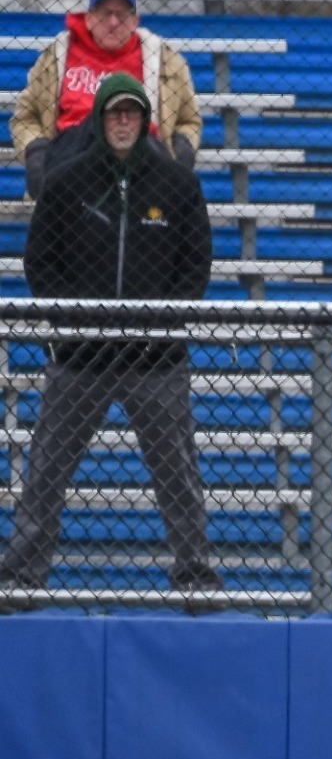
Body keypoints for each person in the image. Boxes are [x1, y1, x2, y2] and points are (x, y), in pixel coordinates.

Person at [3, 74, 220, 609]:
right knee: (47, 468)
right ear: (99, 119)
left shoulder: (178, 185)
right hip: (82, 357)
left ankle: (195, 577)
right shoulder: (66, 181)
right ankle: (21, 578)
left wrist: (159, 330)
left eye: (132, 113)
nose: (123, 122)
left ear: (145, 119)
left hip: (155, 360)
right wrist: (76, 326)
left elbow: (194, 268)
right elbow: (39, 263)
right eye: (114, 113)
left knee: (178, 473)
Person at [10, 0, 203, 200]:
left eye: (121, 15)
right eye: (105, 13)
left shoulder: (164, 59)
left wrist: (182, 150)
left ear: (134, 21)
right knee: (96, 120)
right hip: (73, 155)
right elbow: (25, 116)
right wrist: (36, 150)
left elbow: (189, 121)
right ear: (89, 18)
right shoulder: (57, 56)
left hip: (140, 159)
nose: (113, 22)